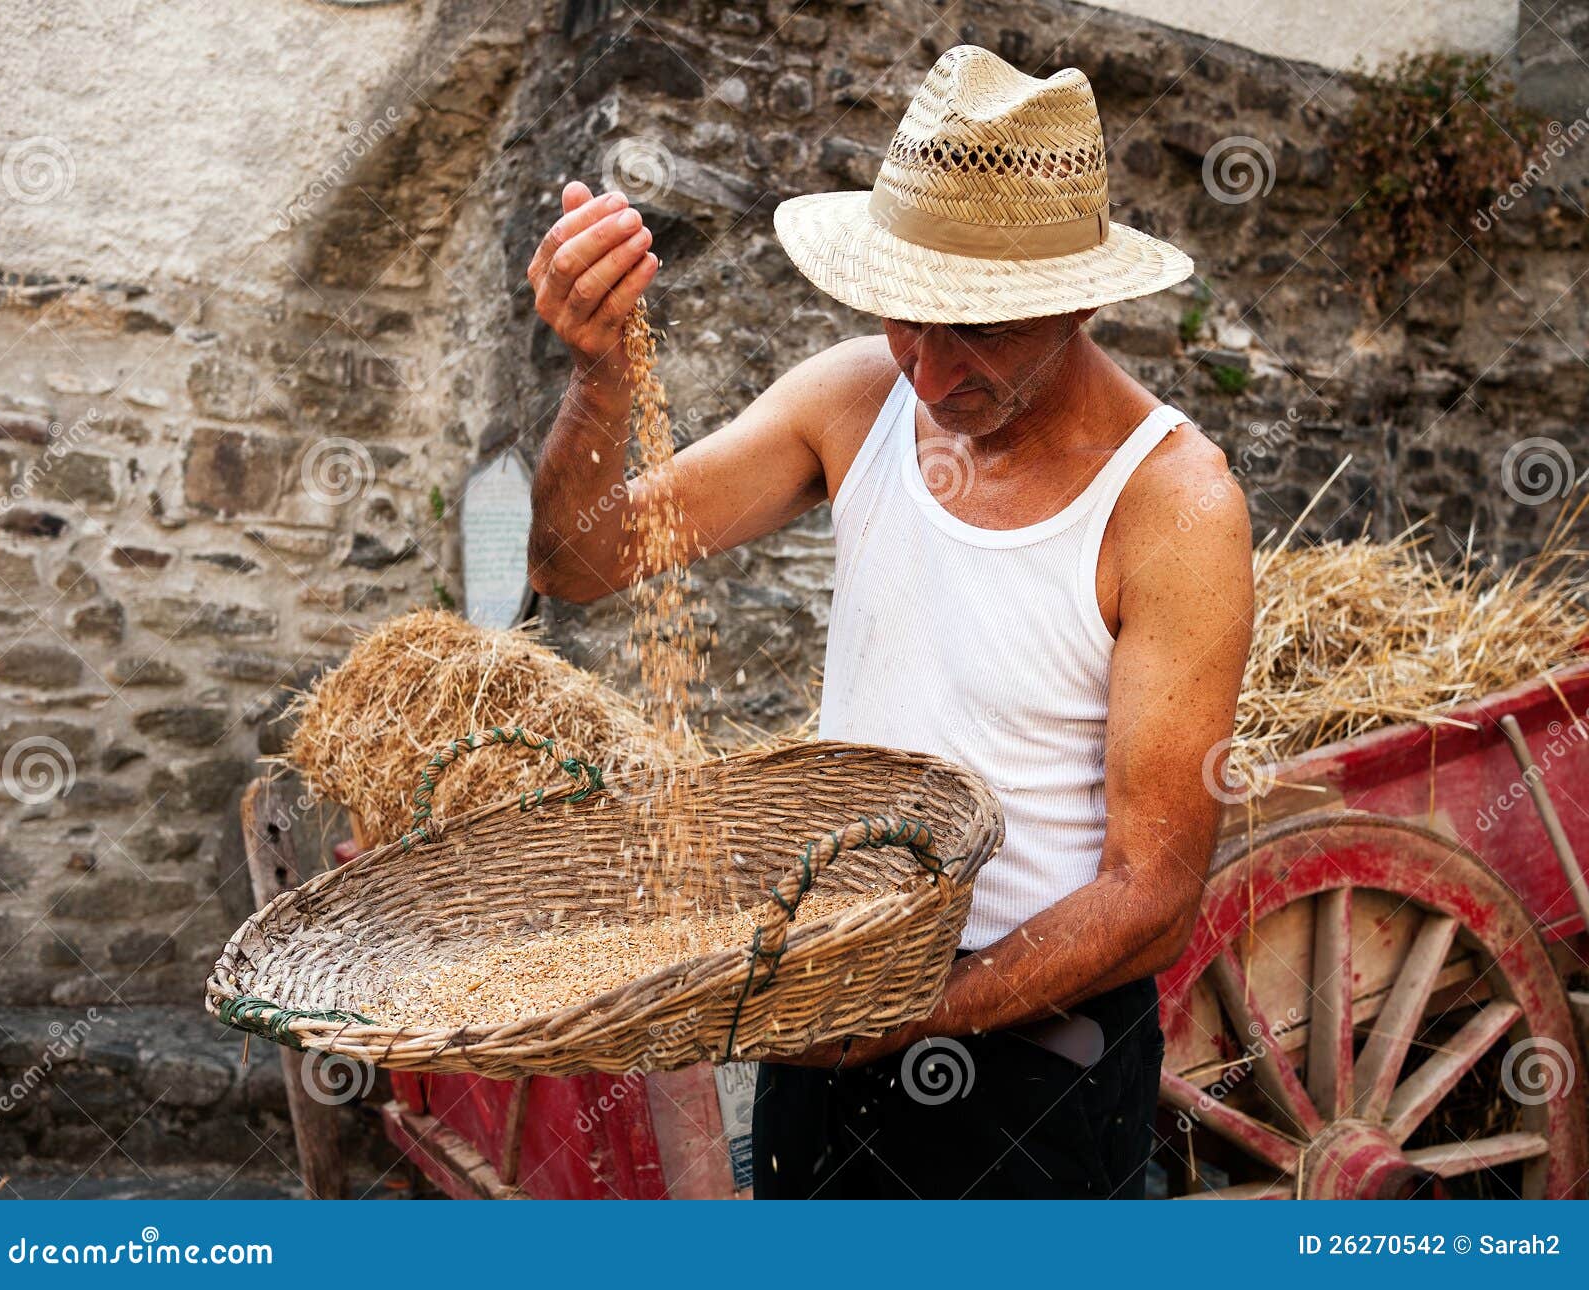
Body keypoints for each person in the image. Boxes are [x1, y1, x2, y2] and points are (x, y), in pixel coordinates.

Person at [524, 44, 1253, 1198]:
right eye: (906, 316)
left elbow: (1150, 898)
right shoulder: (854, 399)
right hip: (827, 999)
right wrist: (599, 376)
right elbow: (577, 565)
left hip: (1035, 1059)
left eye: (981, 328)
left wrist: (912, 1017)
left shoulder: (1170, 505)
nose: (929, 367)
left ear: (1084, 297)